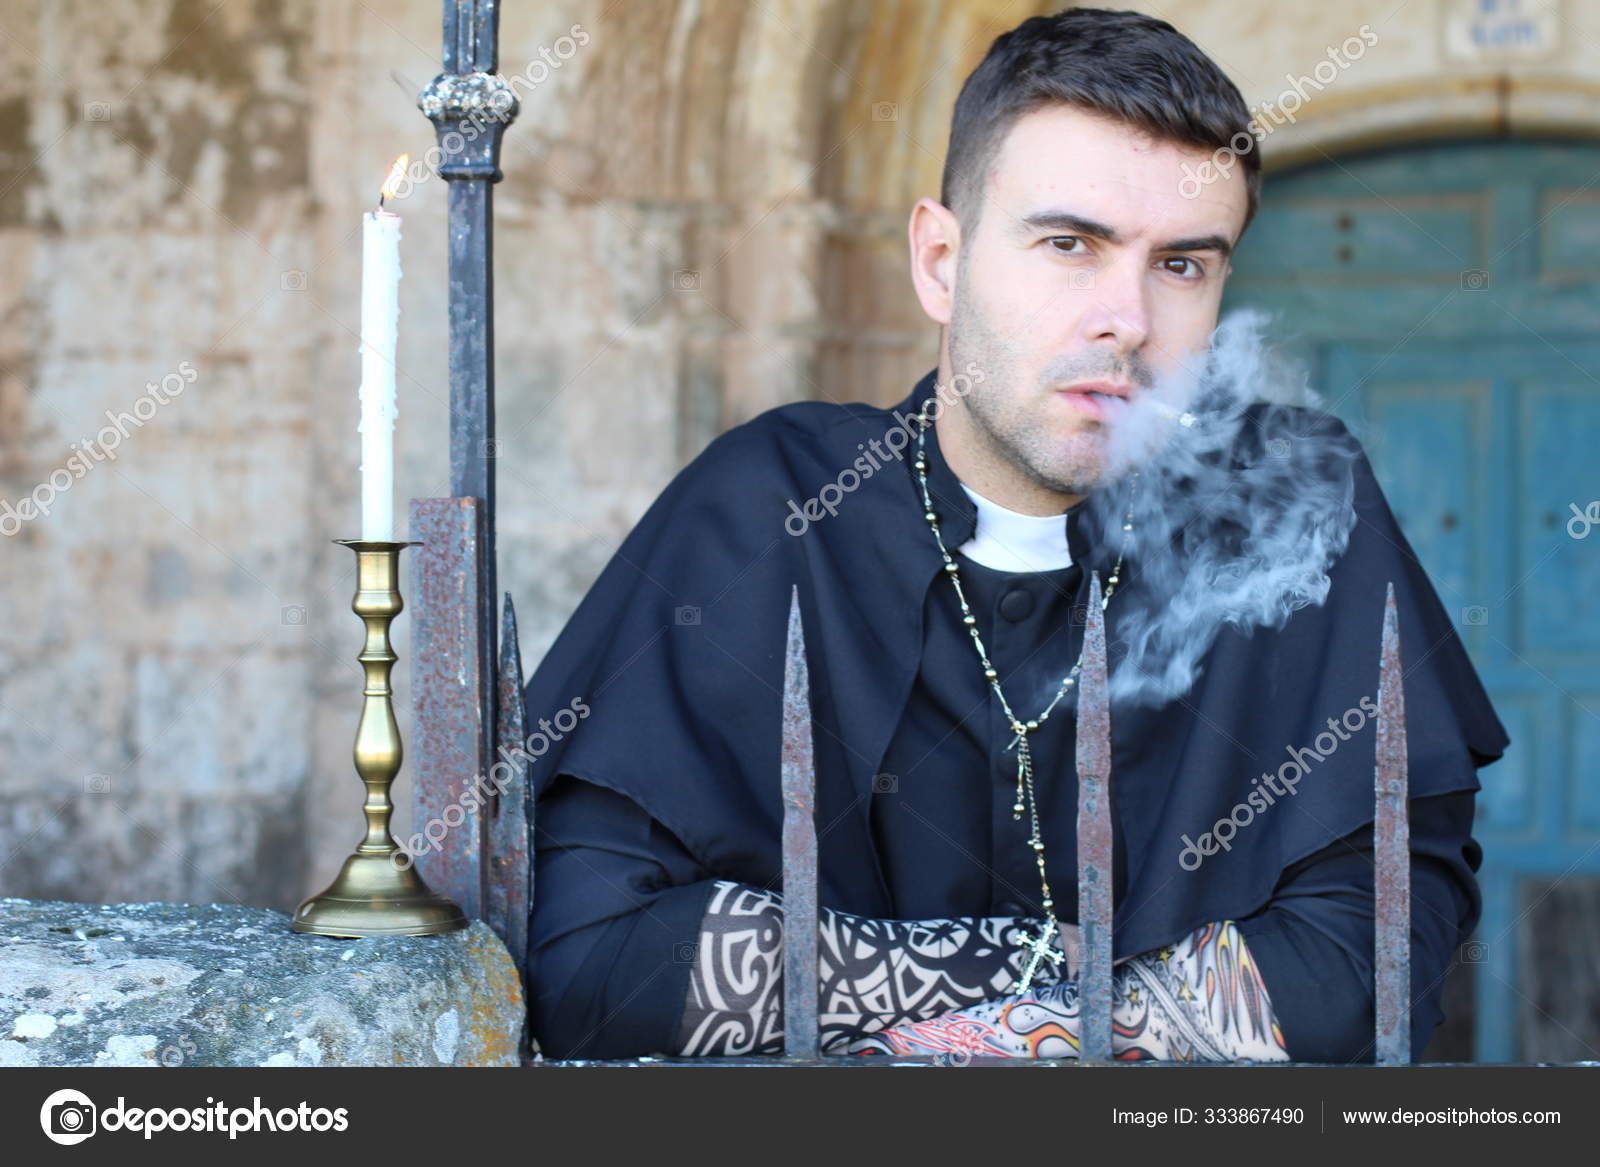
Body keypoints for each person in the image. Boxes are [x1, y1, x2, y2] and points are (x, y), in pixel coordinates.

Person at [520, 6, 1508, 1063]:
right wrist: (1038, 975)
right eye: (1068, 245)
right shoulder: (769, 507)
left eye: (1181, 265)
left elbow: (1368, 965)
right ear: (940, 261)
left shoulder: (1294, 500)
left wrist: (904, 1043)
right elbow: (588, 958)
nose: (1126, 319)